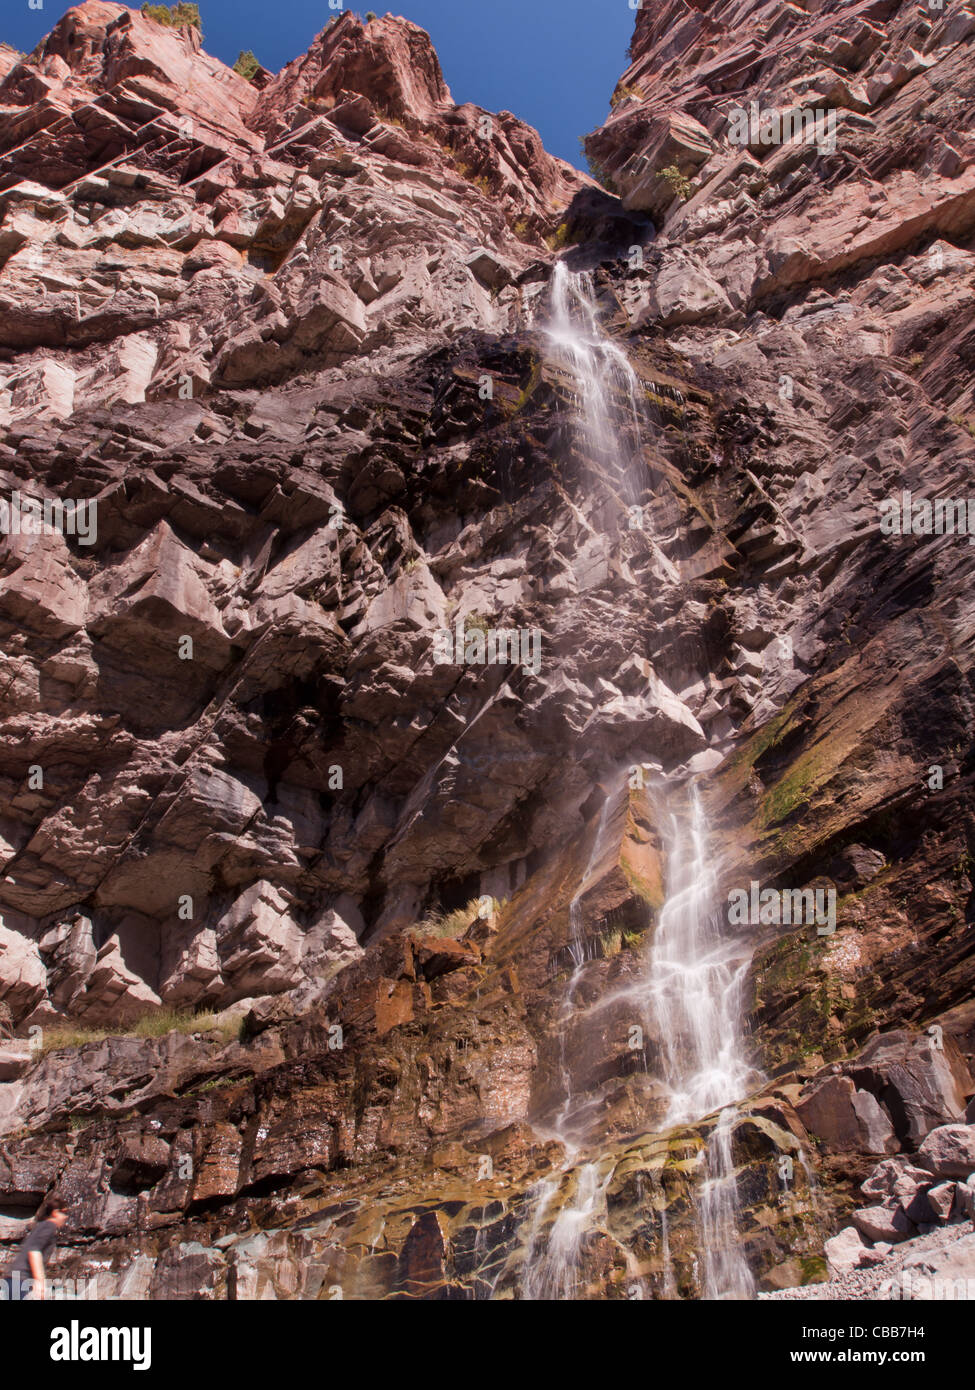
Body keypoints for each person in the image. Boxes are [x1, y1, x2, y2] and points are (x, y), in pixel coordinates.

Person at [0, 1194, 69, 1301]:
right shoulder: (50, 1226)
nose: (66, 1217)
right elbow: (34, 1252)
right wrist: (40, 1282)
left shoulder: (41, 1225)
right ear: (55, 1212)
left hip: (13, 1278)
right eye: (64, 1213)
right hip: (19, 1280)